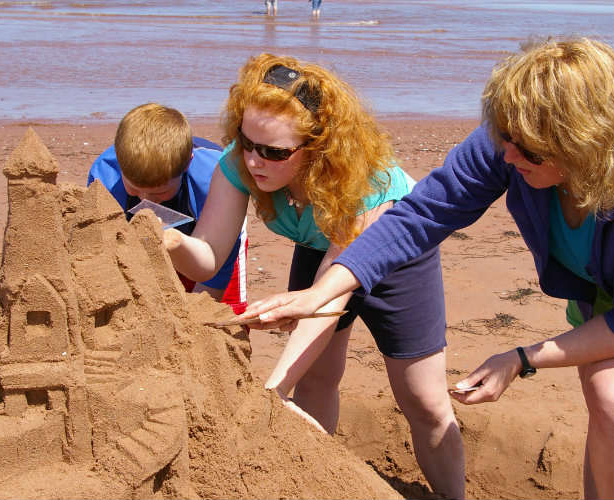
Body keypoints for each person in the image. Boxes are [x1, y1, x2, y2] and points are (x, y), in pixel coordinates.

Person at [245, 37, 614, 499]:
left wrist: (519, 358)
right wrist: (323, 292)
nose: (507, 155)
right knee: (601, 392)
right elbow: (423, 213)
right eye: (504, 136)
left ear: (584, 145)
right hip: (611, 277)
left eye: (525, 150)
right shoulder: (518, 137)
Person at [163, 53, 466, 499]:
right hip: (319, 249)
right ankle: (315, 483)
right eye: (247, 142)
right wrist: (172, 242)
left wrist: (272, 388)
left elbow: (329, 296)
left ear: (318, 146)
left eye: (274, 152)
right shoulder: (241, 163)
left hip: (398, 259)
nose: (255, 160)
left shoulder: (360, 180)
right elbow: (207, 257)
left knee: (423, 401)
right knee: (316, 380)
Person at [88, 103, 248, 314]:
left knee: (220, 315)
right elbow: (106, 251)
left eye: (159, 193)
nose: (147, 201)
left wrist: (199, 315)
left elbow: (218, 267)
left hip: (211, 237)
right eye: (135, 190)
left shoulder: (216, 178)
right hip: (141, 240)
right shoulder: (105, 176)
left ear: (187, 165)